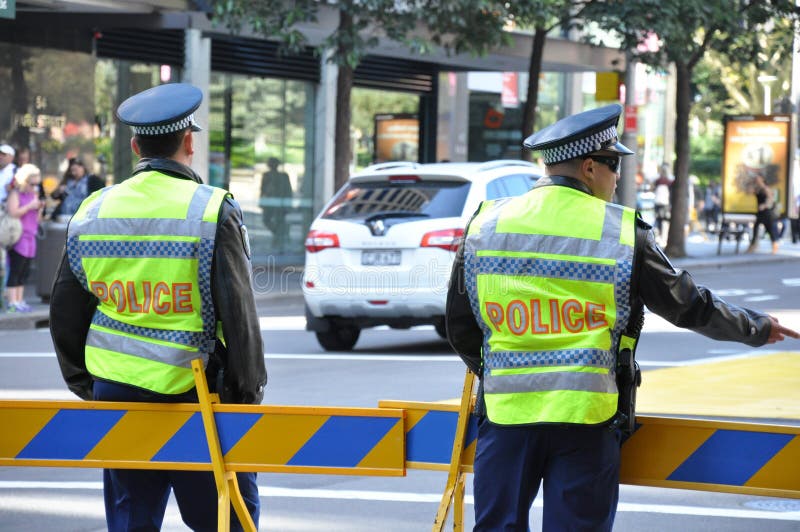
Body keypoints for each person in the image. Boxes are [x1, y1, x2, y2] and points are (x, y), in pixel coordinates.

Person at [444, 103, 800, 531]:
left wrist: (502, 373)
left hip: (506, 417)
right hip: (587, 419)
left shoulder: (486, 224)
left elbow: (461, 327)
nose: (618, 181)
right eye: (615, 168)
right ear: (590, 167)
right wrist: (756, 327)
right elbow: (688, 305)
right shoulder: (621, 232)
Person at [49, 83, 267, 531]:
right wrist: (245, 398)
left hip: (116, 391)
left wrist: (86, 384)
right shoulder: (210, 210)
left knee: (133, 520)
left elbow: (65, 313)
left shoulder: (93, 210)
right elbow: (239, 318)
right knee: (225, 520)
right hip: (200, 395)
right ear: (189, 141)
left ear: (134, 146)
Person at [5, 163, 43, 313]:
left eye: (36, 183)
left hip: (31, 235)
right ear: (24, 180)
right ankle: (12, 302)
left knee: (24, 270)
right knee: (15, 268)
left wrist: (39, 208)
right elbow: (13, 212)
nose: (34, 186)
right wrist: (29, 206)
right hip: (18, 235)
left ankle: (19, 300)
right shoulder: (15, 194)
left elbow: (38, 219)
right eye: (31, 183)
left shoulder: (33, 195)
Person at [260, 156, 293, 251]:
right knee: (266, 220)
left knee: (279, 221)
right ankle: (282, 233)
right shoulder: (266, 175)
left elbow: (288, 191)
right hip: (269, 202)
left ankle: (278, 240)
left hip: (280, 203)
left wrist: (288, 204)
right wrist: (262, 201)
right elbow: (262, 189)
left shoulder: (283, 176)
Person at [747, 174, 780, 254]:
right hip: (760, 212)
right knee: (756, 228)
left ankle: (774, 247)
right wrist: (752, 183)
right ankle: (753, 245)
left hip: (767, 212)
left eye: (758, 179)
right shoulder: (758, 189)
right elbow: (749, 192)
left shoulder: (766, 188)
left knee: (770, 229)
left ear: (762, 179)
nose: (757, 180)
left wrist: (764, 205)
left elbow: (771, 199)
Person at [653, 162, 672, 236]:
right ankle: (663, 235)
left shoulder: (658, 180)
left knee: (659, 219)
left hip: (658, 201)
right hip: (665, 202)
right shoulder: (669, 181)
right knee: (664, 220)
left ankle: (659, 234)